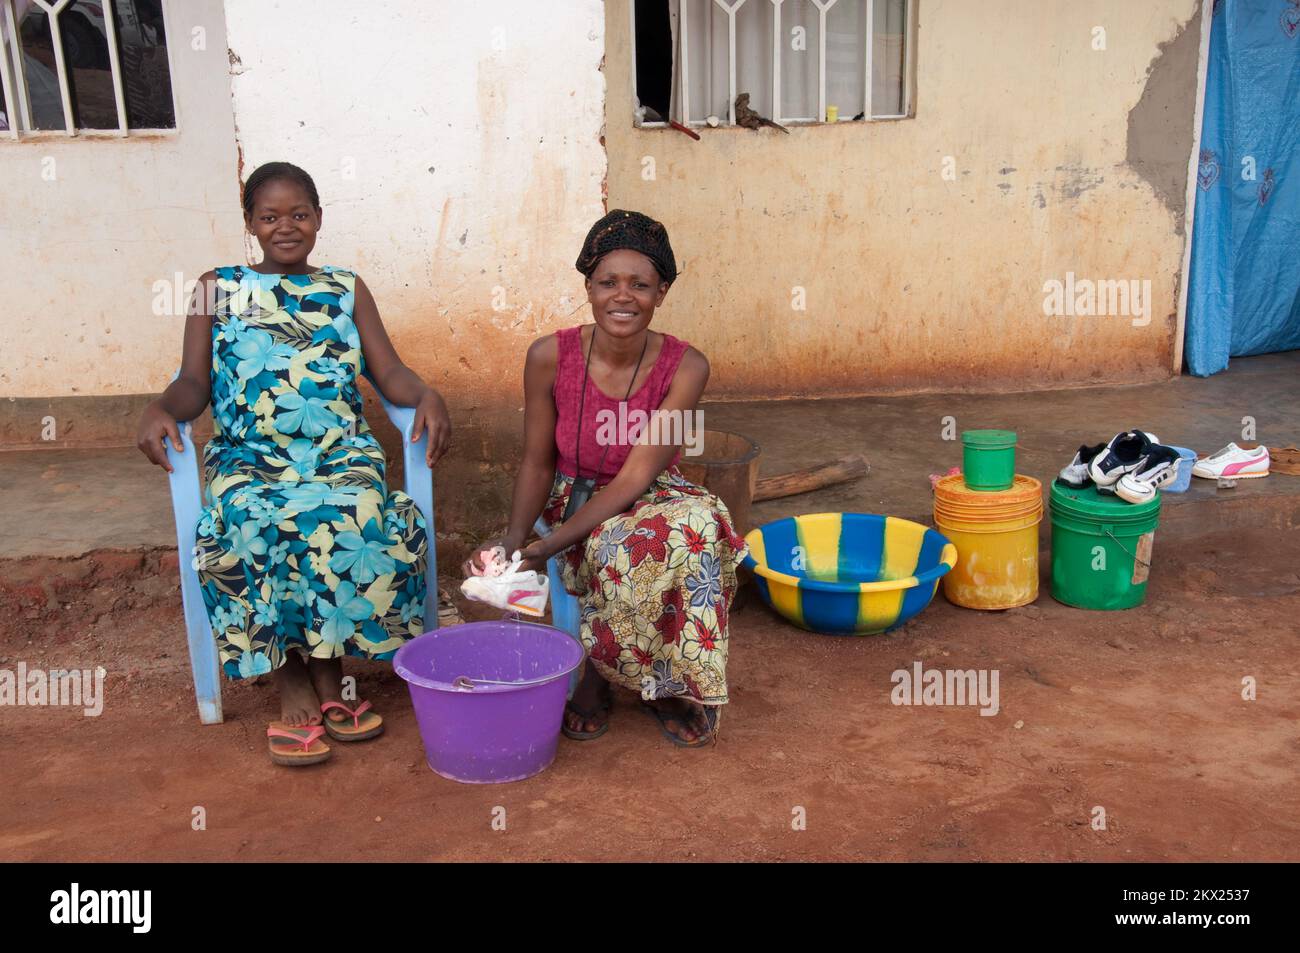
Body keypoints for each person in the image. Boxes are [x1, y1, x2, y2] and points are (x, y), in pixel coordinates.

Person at [137, 162, 451, 766]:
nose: (286, 226)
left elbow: (388, 371)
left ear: (319, 219)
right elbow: (192, 383)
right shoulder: (215, 288)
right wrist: (159, 407)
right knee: (252, 517)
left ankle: (331, 669)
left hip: (337, 454)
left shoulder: (345, 287)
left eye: (299, 214)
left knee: (356, 507)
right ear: (250, 223)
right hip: (249, 457)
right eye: (271, 216)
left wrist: (426, 394)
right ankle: (289, 676)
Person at [468, 210, 746, 747]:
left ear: (661, 292)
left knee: (692, 531)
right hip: (570, 495)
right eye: (608, 283)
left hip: (646, 494)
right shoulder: (549, 356)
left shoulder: (687, 366)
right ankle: (604, 673)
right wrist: (512, 541)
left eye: (640, 284)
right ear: (589, 288)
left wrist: (546, 547)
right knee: (629, 547)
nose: (623, 296)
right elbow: (537, 461)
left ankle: (657, 681)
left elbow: (637, 475)